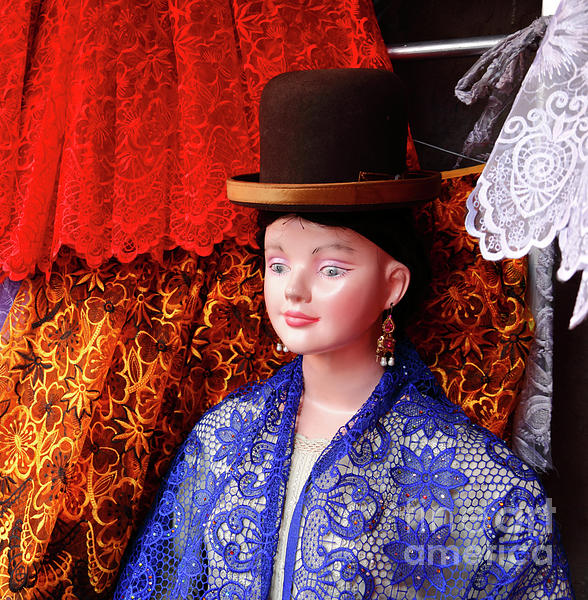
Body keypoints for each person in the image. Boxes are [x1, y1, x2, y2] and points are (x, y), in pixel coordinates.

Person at [114, 69, 572, 599]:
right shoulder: (220, 441)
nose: (295, 291)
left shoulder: (477, 481)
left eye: (331, 268)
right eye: (277, 264)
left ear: (393, 284)